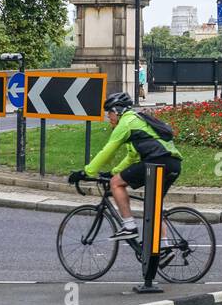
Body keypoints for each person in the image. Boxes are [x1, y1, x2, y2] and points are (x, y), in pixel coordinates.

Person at [67, 91, 182, 245]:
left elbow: (107, 151)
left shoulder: (126, 123)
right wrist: (113, 172)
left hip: (157, 162)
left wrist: (86, 172)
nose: (109, 119)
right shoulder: (136, 121)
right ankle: (163, 246)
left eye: (109, 114)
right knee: (153, 205)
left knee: (116, 183)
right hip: (173, 164)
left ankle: (129, 226)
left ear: (117, 111)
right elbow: (132, 157)